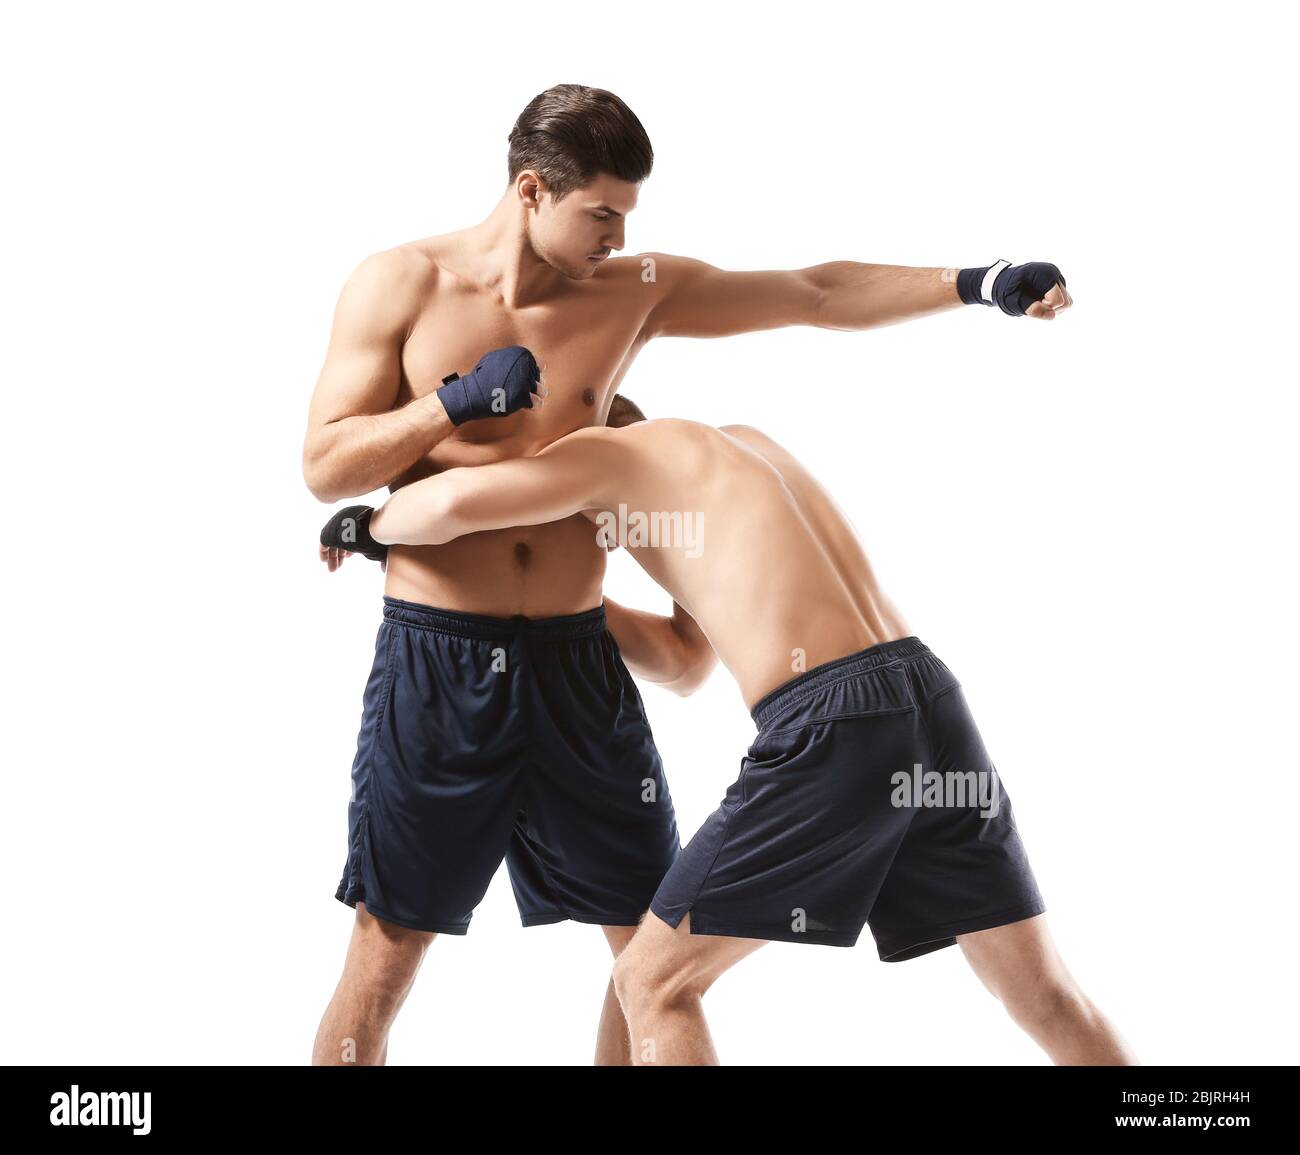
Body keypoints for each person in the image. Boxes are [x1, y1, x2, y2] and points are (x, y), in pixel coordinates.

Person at [303, 80, 1071, 1066]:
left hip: (580, 665)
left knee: (647, 938)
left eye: (629, 213)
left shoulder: (631, 289)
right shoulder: (397, 283)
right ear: (531, 189)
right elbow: (326, 463)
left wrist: (974, 281)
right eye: (601, 213)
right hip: (443, 658)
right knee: (389, 945)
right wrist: (448, 407)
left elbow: (813, 292)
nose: (618, 235)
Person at [318, 395, 1135, 1066]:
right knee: (1045, 996)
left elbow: (450, 503)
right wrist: (565, 602)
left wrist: (365, 529)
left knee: (653, 981)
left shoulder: (602, 456)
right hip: (926, 698)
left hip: (831, 721)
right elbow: (683, 661)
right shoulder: (744, 446)